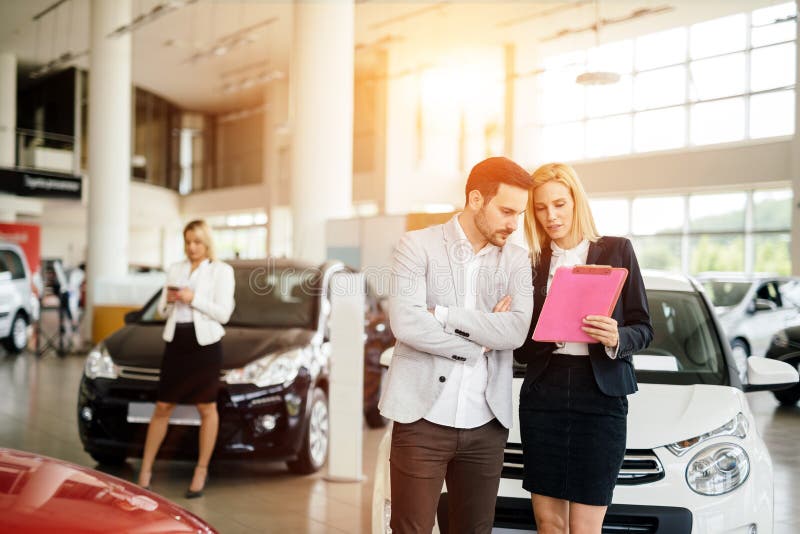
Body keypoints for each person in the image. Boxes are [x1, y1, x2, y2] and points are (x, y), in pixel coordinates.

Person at [379, 156, 534, 533]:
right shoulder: (416, 246)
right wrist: (478, 344)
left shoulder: (516, 258)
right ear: (477, 199)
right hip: (420, 422)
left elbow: (514, 331)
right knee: (410, 529)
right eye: (507, 211)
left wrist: (446, 315)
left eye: (520, 214)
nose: (515, 224)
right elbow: (407, 322)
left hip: (485, 425)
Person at [514, 163, 653, 534]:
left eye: (559, 204)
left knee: (585, 527)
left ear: (577, 200)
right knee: (549, 523)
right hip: (545, 393)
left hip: (601, 397)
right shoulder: (530, 262)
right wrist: (519, 326)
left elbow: (644, 327)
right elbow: (521, 351)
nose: (551, 216)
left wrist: (616, 337)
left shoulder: (617, 250)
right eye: (541, 208)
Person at [137, 220, 235, 498]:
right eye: (188, 241)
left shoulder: (221, 271)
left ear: (207, 243)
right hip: (176, 342)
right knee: (162, 406)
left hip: (205, 345)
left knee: (206, 408)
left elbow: (224, 313)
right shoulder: (176, 268)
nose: (192, 247)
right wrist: (170, 300)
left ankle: (201, 470)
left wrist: (194, 298)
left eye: (197, 242)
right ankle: (145, 470)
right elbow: (161, 310)